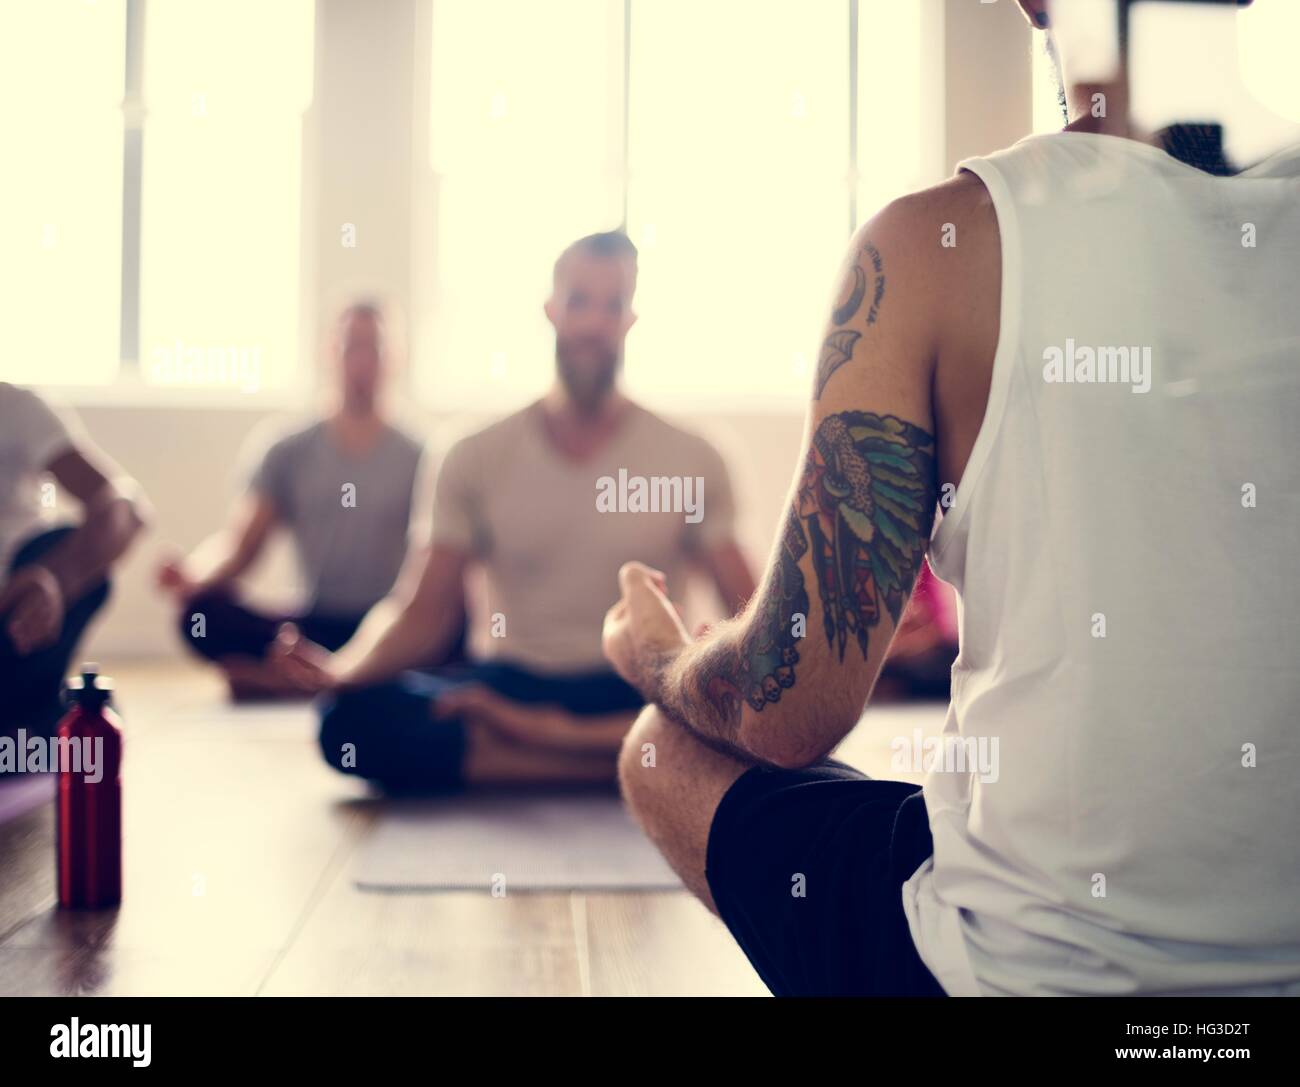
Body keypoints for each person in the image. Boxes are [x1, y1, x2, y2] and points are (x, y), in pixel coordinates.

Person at [602, 0, 1300, 997]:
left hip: (1016, 972)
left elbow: (785, 709)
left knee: (660, 751)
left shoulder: (931, 247)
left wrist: (657, 654)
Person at [276, 231, 757, 791]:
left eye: (613, 304)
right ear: (552, 310)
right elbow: (421, 610)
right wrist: (342, 669)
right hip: (511, 683)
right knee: (348, 723)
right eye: (579, 301)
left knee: (744, 717)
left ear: (630, 319)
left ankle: (535, 747)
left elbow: (747, 612)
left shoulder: (695, 456)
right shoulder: (472, 453)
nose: (593, 324)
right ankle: (619, 762)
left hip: (637, 687)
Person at [158, 302, 463, 700]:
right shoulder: (287, 449)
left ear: (396, 358)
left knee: (461, 624)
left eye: (375, 349)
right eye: (352, 347)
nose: (362, 362)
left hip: (393, 625)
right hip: (312, 626)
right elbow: (240, 547)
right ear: (330, 352)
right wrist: (194, 575)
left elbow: (440, 574)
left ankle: (292, 679)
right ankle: (325, 674)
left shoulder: (426, 455)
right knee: (200, 614)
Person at [0, 383, 146, 739]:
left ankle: (36, 720)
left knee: (80, 549)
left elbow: (125, 508)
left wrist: (54, 578)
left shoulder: (17, 407)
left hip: (12, 624)